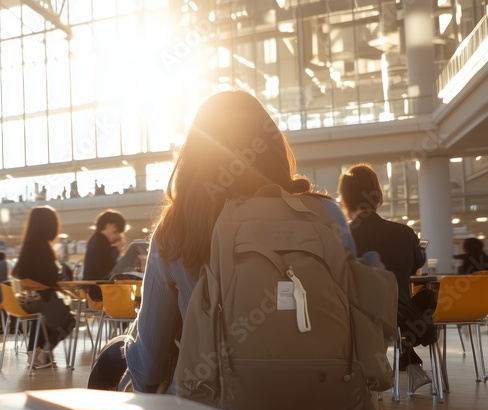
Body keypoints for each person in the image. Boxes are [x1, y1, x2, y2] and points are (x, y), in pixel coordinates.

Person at [125, 90, 357, 394]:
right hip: (322, 397)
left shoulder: (177, 229)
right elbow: (356, 314)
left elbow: (149, 363)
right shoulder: (325, 214)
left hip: (209, 405)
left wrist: (126, 346)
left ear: (195, 156)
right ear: (273, 146)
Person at [338, 163, 431, 389]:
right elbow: (417, 267)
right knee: (422, 298)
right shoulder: (404, 233)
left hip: (354, 318)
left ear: (345, 199)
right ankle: (410, 364)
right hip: (402, 318)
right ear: (377, 195)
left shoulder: (341, 236)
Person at [12, 206, 76, 369]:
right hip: (41, 299)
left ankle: (34, 353)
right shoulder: (43, 247)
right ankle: (44, 352)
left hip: (28, 300)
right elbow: (49, 277)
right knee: (69, 321)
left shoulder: (29, 244)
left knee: (45, 318)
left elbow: (18, 273)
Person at [83, 209, 127, 301]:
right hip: (99, 290)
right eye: (115, 232)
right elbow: (105, 268)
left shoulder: (97, 239)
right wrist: (117, 250)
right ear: (109, 225)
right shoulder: (100, 241)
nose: (116, 237)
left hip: (95, 288)